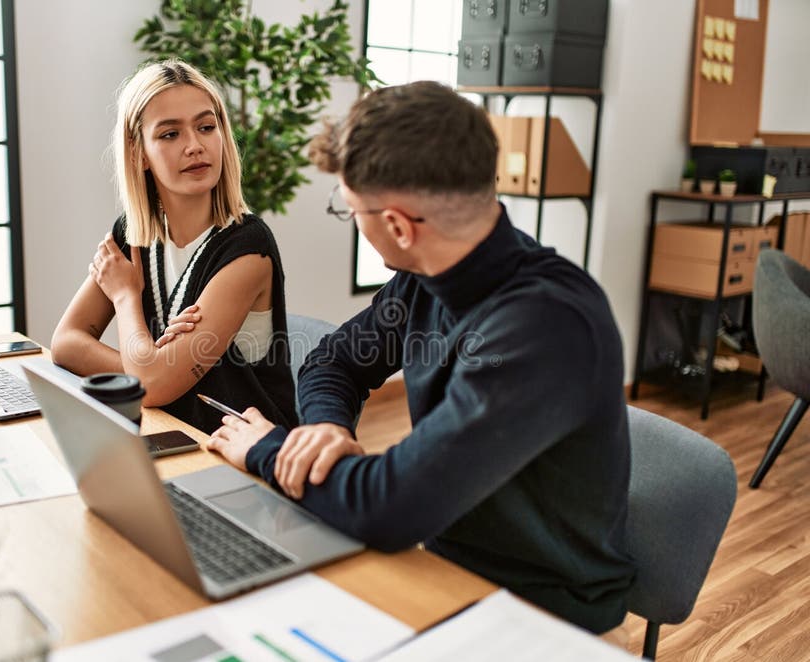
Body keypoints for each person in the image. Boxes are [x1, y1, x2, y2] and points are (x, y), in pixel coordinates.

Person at [204, 81, 636, 634]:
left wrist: (268, 449)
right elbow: (333, 362)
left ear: (398, 226)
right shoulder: (428, 277)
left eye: (350, 209)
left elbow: (389, 509)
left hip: (546, 619)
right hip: (440, 573)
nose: (353, 219)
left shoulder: (544, 327)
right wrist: (326, 430)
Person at [51, 60, 297, 432]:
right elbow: (66, 343)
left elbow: (153, 384)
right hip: (167, 433)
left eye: (206, 127)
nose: (195, 146)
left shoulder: (248, 248)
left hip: (247, 459)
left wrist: (125, 298)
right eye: (170, 134)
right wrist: (152, 366)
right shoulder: (132, 235)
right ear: (138, 153)